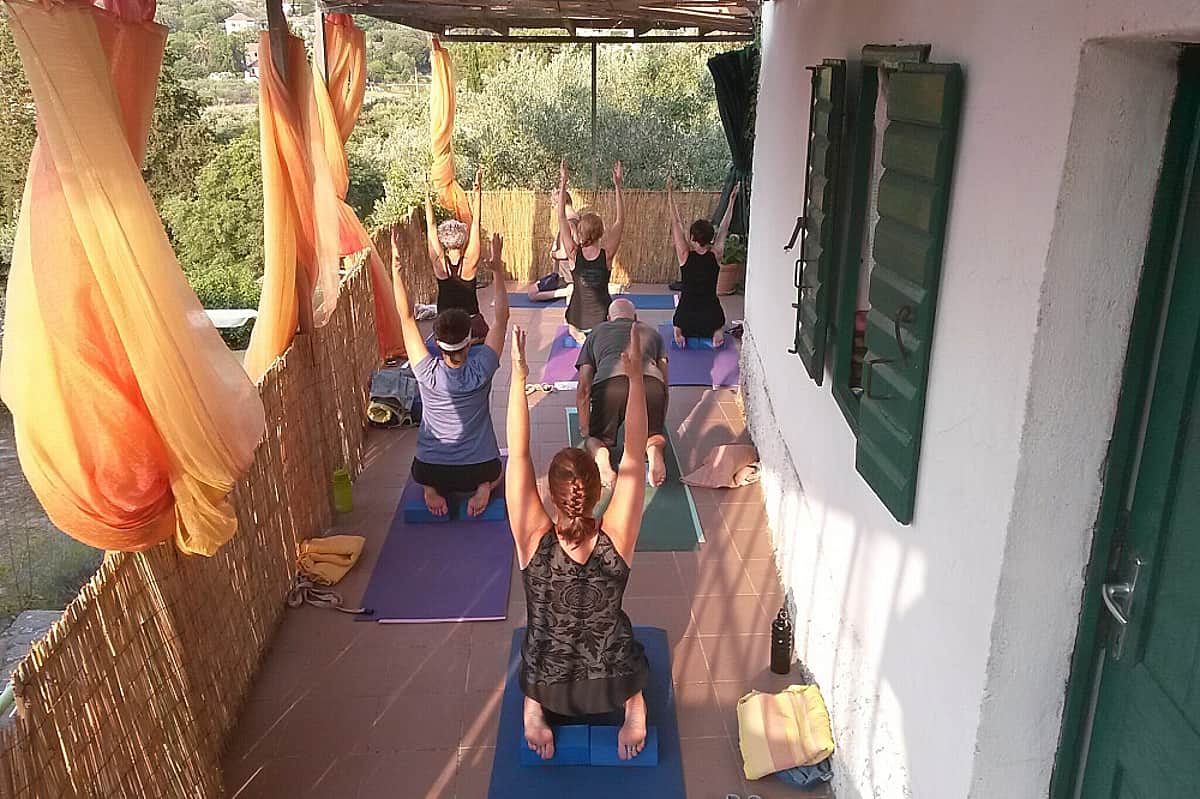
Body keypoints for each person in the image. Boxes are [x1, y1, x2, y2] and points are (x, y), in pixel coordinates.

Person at [506, 321, 651, 762]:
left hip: (549, 682)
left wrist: (517, 375)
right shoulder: (617, 537)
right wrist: (634, 377)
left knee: (533, 650)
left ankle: (535, 710)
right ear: (597, 490)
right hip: (612, 683)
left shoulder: (533, 538)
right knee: (625, 645)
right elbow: (635, 449)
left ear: (549, 493)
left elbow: (519, 452)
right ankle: (634, 706)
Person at [394, 224, 509, 516]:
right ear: (469, 342)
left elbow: (406, 318)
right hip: (480, 468)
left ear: (437, 342)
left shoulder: (426, 371)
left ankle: (431, 490)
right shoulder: (482, 367)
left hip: (430, 469)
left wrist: (396, 271)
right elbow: (501, 320)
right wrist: (496, 269)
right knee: (497, 471)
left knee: (419, 472)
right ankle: (484, 488)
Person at [576, 299, 670, 488]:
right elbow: (665, 382)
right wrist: (657, 423)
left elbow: (584, 385)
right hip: (651, 384)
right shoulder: (653, 333)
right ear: (635, 318)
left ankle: (603, 461)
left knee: (595, 439)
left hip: (611, 384)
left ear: (609, 318)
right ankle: (653, 450)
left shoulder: (597, 332)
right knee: (653, 435)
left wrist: (585, 426)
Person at [667, 177, 740, 348]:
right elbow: (724, 227)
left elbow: (676, 223)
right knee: (718, 322)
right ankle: (716, 333)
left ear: (692, 238)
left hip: (687, 317)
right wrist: (731, 202)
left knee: (678, 321)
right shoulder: (716, 254)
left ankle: (679, 332)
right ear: (709, 239)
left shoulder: (685, 255)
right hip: (710, 317)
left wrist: (670, 194)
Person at [558, 158, 626, 342]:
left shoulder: (573, 253)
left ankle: (577, 334)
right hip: (602, 320)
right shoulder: (607, 255)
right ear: (601, 232)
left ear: (580, 232)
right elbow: (620, 221)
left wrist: (563, 183)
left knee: (572, 323)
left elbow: (561, 218)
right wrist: (618, 186)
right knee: (623, 312)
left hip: (577, 319)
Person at [424, 168, 488, 341]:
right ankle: (470, 340)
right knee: (479, 329)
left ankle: (455, 342)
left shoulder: (439, 263)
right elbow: (476, 223)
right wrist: (477, 192)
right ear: (464, 237)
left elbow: (430, 225)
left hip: (447, 325)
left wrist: (427, 195)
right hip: (471, 324)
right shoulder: (470, 262)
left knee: (444, 331)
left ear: (443, 240)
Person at [526, 191, 580, 302]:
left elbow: (564, 253)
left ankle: (567, 291)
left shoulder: (568, 224)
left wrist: (553, 253)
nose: (554, 209)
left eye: (554, 205)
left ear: (560, 204)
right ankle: (571, 288)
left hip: (564, 276)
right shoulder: (579, 220)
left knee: (532, 292)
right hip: (574, 273)